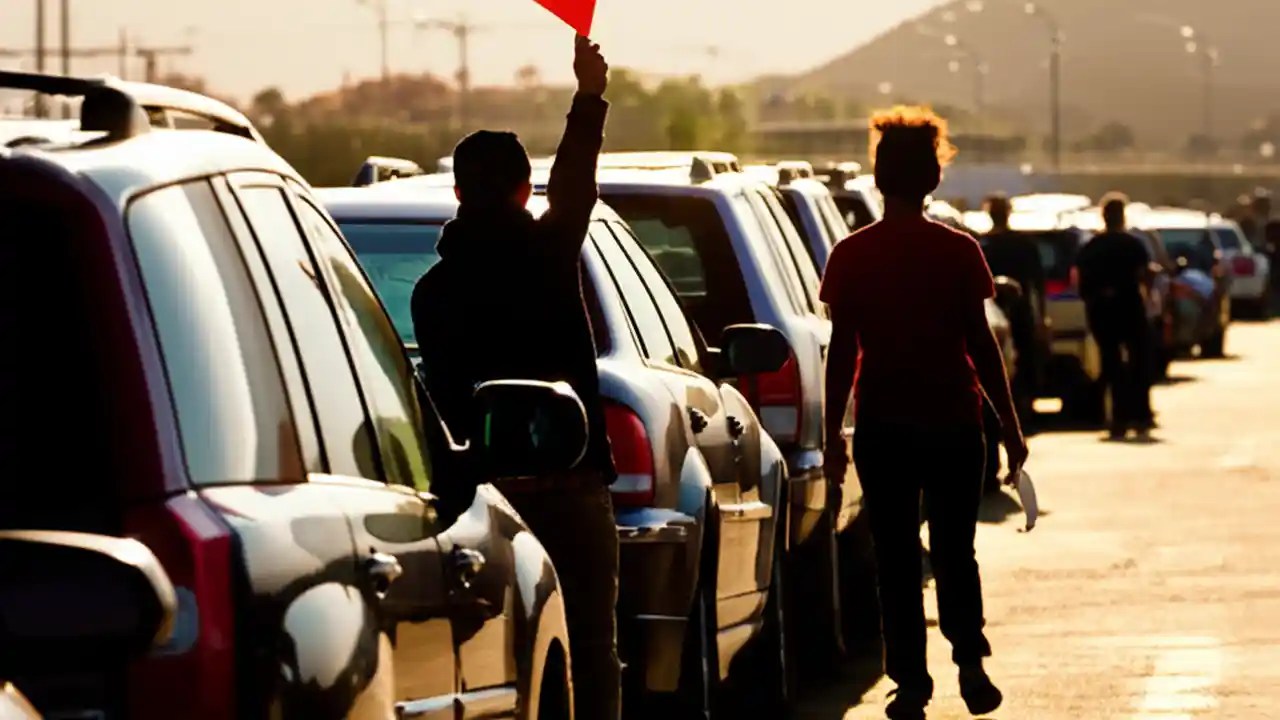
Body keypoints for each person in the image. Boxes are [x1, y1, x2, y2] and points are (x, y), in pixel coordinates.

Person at [411, 36, 620, 719]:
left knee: (492, 668)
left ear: (458, 191)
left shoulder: (432, 294)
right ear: (524, 191)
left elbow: (437, 403)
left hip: (481, 512)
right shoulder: (549, 256)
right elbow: (577, 187)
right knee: (589, 650)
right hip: (572, 490)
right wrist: (588, 98)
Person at [821, 106, 1028, 720]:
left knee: (895, 556)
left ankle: (910, 683)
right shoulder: (959, 252)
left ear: (879, 178)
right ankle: (970, 662)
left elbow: (841, 355)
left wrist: (833, 434)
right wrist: (1011, 429)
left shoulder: (851, 254)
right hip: (954, 426)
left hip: (884, 427)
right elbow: (982, 346)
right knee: (956, 549)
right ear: (934, 179)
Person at [1074, 193, 1155, 440]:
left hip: (1102, 311)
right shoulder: (1132, 244)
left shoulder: (1091, 247)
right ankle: (1140, 415)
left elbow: (1081, 282)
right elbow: (1145, 275)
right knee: (1138, 362)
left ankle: (1118, 418)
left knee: (1111, 365)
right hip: (1130, 307)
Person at [980, 193, 1047, 416]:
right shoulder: (1022, 244)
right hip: (1009, 312)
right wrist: (1041, 316)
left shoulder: (984, 245)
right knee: (1022, 358)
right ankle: (1022, 403)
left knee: (1006, 360)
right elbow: (1038, 284)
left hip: (998, 313)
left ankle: (1016, 404)